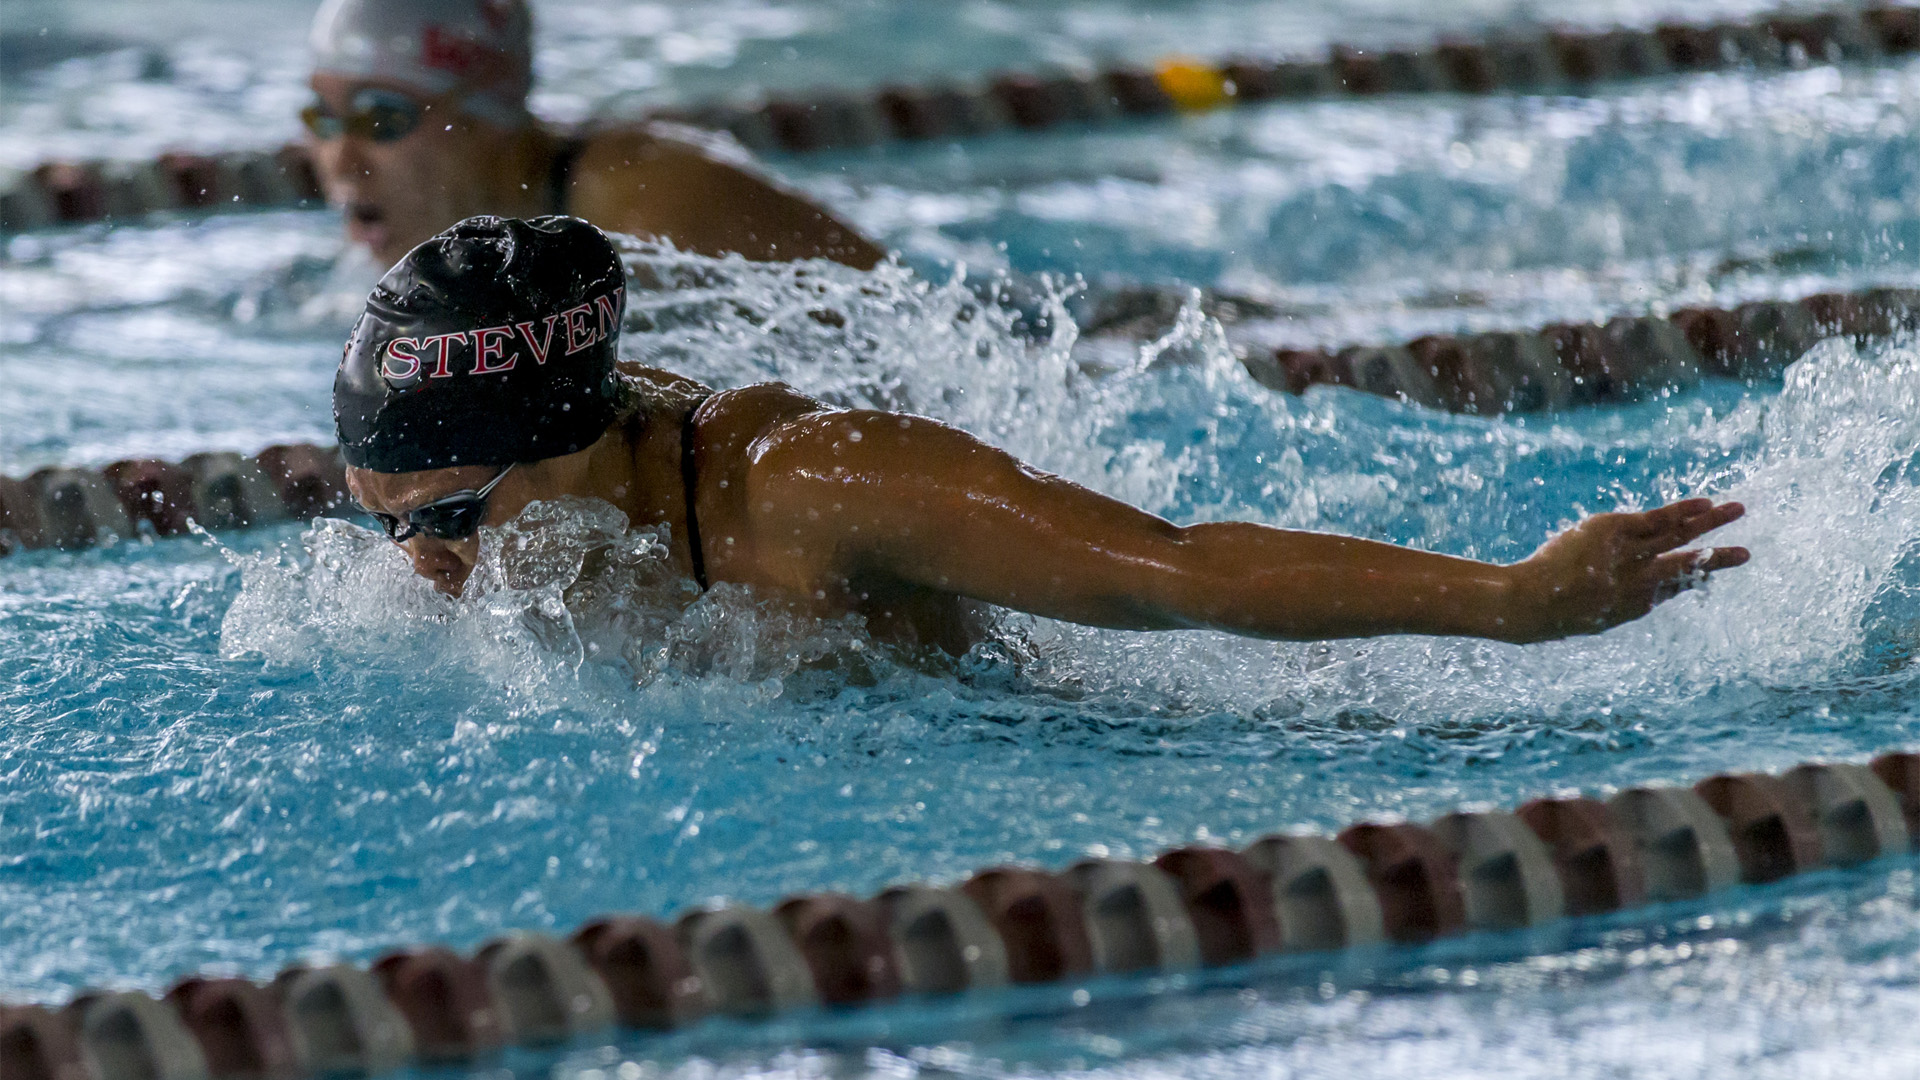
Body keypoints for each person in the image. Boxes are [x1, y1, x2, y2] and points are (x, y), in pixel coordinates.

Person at [338, 216, 1751, 655]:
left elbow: (1176, 571)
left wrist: (1513, 601)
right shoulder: (535, 516)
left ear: (571, 439)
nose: (419, 565)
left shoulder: (813, 487)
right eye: (383, 519)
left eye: (450, 518)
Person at [303, 0, 882, 271]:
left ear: (488, 119)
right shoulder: (408, 255)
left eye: (383, 119)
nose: (340, 161)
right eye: (322, 118)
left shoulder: (644, 204)